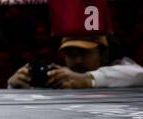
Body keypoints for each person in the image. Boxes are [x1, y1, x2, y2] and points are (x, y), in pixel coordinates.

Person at [7, 34, 143, 88]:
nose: (77, 60)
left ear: (103, 54)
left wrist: (87, 79)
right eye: (70, 54)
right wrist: (14, 85)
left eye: (84, 53)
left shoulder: (119, 69)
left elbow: (139, 74)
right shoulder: (60, 77)